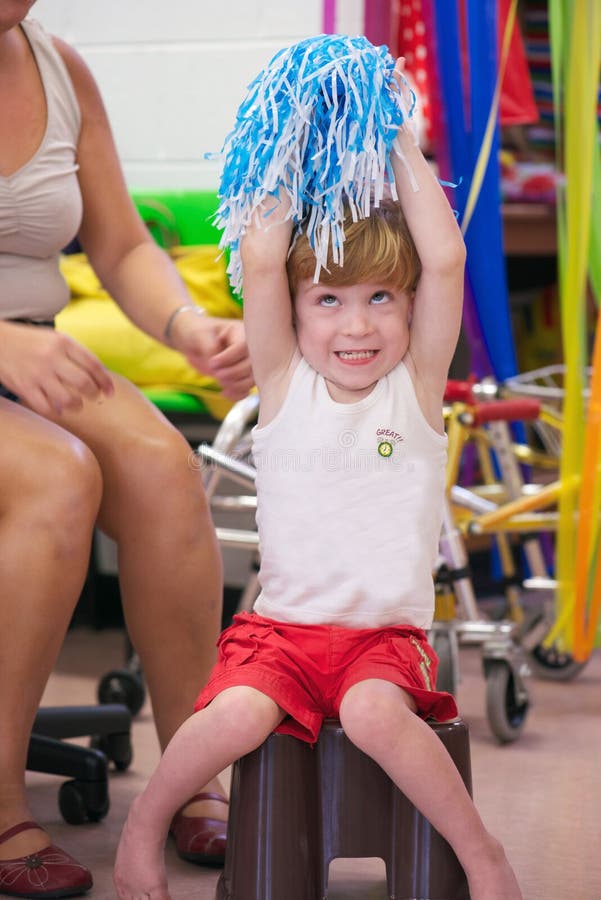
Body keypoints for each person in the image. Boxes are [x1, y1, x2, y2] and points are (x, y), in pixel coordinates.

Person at [113, 45, 523, 900]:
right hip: (282, 638)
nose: (356, 326)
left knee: (373, 713)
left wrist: (391, 131)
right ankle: (144, 828)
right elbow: (263, 258)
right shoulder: (283, 384)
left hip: (383, 643)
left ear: (409, 308)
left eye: (380, 299)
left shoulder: (413, 389)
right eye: (329, 301)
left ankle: (479, 853)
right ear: (295, 314)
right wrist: (290, 131)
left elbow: (444, 259)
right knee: (229, 715)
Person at [0, 3, 253, 897]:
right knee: (56, 475)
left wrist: (189, 326)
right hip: (9, 350)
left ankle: (192, 775)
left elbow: (119, 242)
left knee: (164, 467)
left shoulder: (59, 68)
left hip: (34, 348)